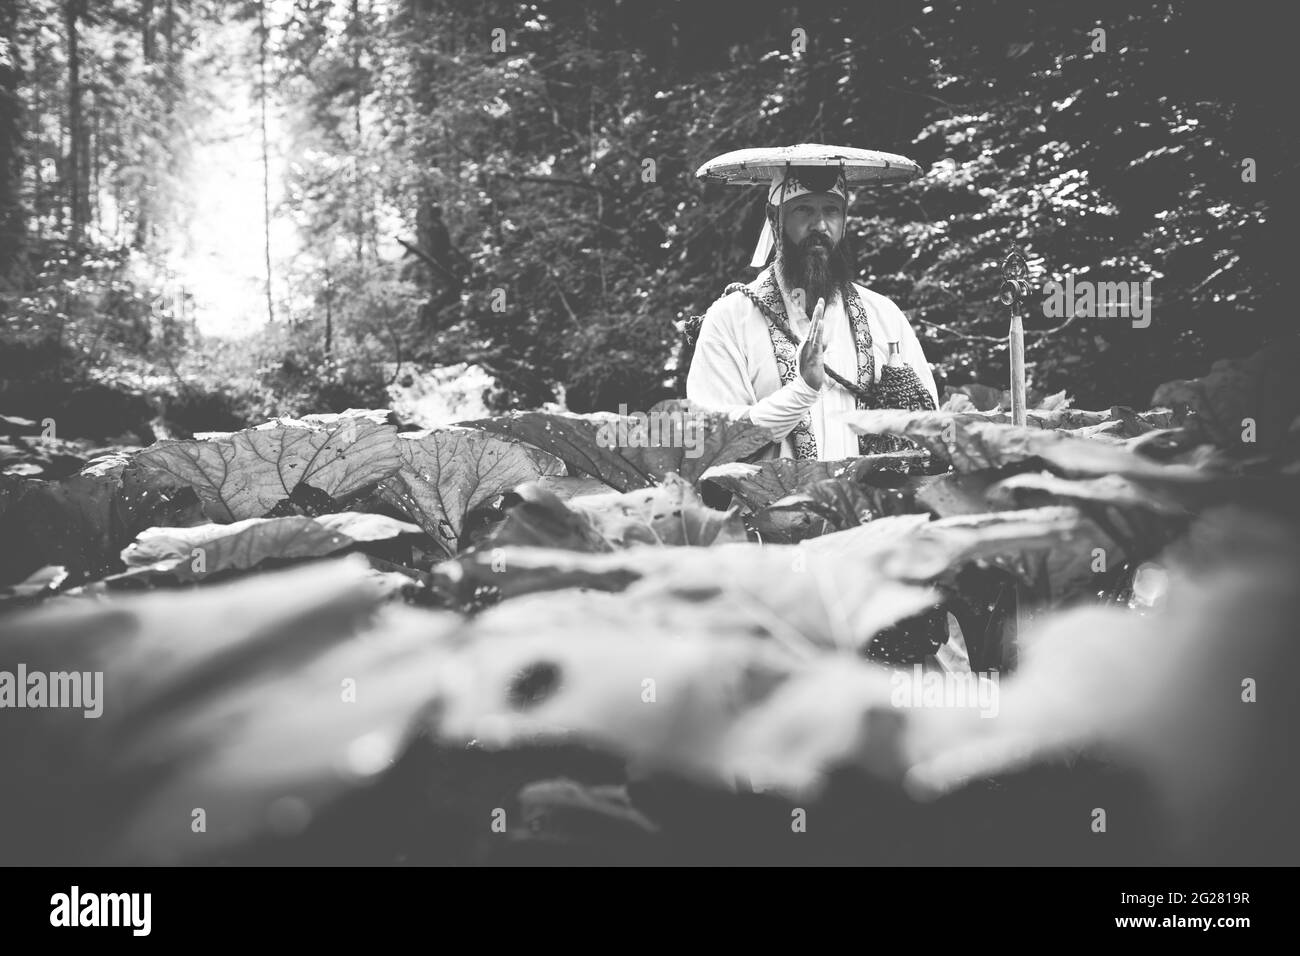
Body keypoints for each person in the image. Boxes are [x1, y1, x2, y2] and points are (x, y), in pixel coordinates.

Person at [687, 163, 939, 460]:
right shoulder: (731, 318)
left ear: (845, 220)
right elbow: (711, 438)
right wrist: (802, 391)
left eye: (831, 210)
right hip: (766, 504)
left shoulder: (883, 315)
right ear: (773, 218)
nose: (820, 226)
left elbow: (928, 428)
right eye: (803, 210)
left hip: (863, 504)